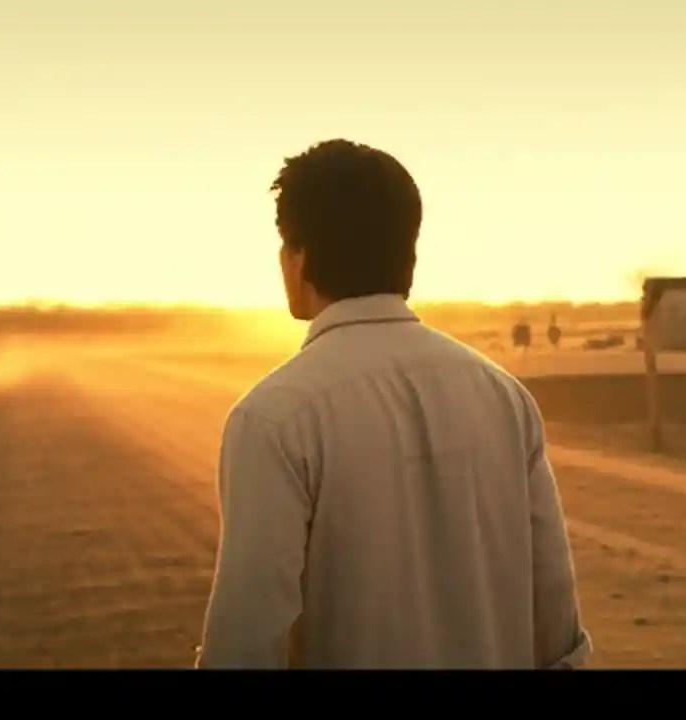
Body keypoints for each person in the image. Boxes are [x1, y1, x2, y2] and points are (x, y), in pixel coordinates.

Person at [194, 139, 591, 670]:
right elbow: (557, 625)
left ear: (300, 257)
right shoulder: (502, 396)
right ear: (409, 252)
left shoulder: (274, 417)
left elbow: (244, 644)